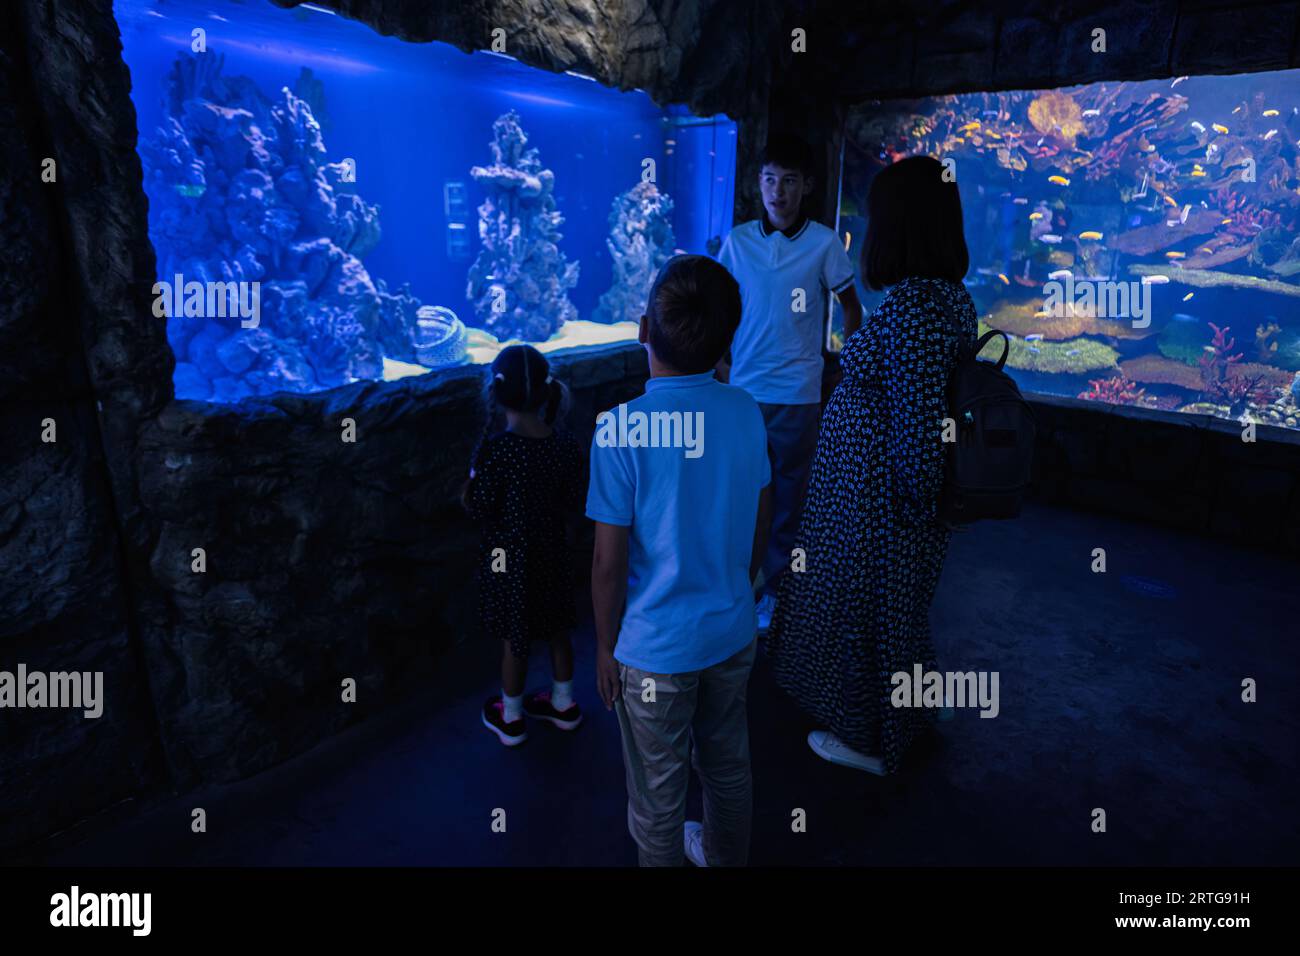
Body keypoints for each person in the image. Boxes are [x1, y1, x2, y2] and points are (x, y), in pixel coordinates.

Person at [765, 155, 977, 775]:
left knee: (868, 618)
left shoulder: (915, 307)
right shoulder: (943, 297)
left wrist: (913, 512)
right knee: (897, 617)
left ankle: (867, 739)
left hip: (881, 509)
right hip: (880, 501)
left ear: (901, 225)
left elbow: (916, 424)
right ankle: (918, 706)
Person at [587, 255, 772, 866]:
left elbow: (609, 567)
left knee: (658, 798)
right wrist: (741, 585)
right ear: (728, 341)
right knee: (727, 764)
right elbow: (760, 513)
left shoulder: (618, 430)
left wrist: (604, 646)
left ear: (644, 330)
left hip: (654, 653)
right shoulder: (745, 411)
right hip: (731, 631)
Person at [717, 133, 863, 632]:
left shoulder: (823, 242)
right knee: (739, 491)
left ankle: (778, 591)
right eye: (770, 180)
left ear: (807, 187)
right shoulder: (737, 243)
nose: (778, 192)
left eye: (789, 182)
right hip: (743, 392)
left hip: (799, 393)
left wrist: (846, 364)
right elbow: (718, 304)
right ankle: (742, 582)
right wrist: (719, 363)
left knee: (787, 496)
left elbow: (850, 305)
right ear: (759, 184)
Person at [464, 345, 587, 747]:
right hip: (553, 556)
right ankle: (564, 704)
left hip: (511, 565)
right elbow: (575, 498)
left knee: (515, 639)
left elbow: (480, 507)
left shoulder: (499, 450)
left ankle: (511, 716)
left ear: (496, 395)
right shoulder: (565, 444)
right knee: (558, 631)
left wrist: (468, 484)